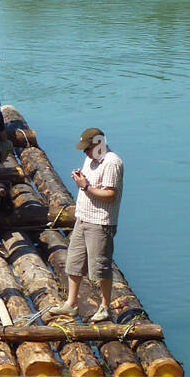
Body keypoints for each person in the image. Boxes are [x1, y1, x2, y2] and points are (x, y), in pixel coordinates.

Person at [47, 128, 124, 324]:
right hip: (82, 217)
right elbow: (89, 185)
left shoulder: (112, 162)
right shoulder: (90, 160)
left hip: (100, 222)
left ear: (99, 144)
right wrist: (82, 180)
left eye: (88, 148)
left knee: (100, 268)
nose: (85, 152)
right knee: (74, 263)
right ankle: (71, 304)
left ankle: (105, 307)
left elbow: (109, 195)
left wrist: (85, 186)